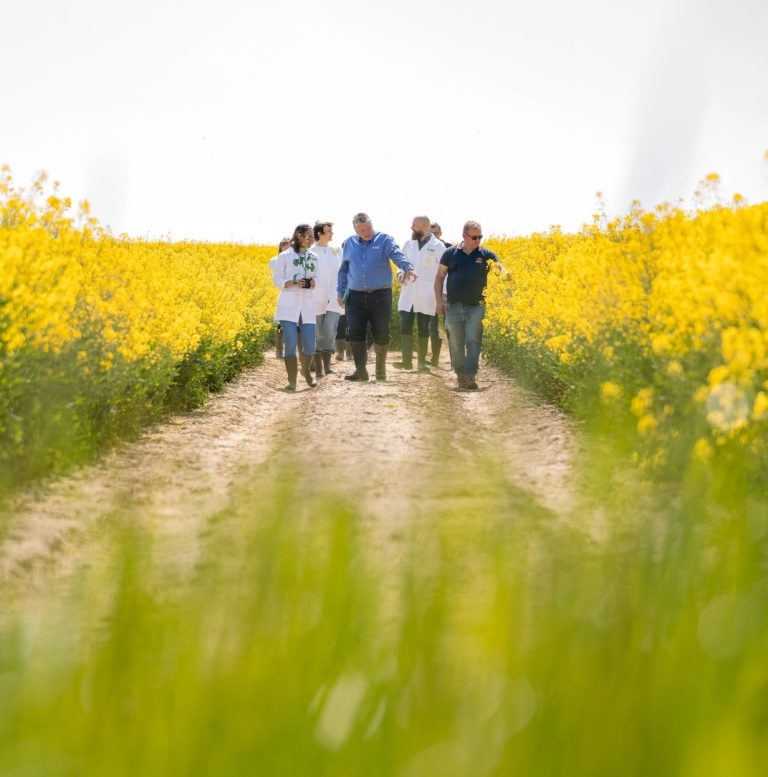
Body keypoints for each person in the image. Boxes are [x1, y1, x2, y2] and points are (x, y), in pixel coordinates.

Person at [337, 213, 416, 382]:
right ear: (356, 230)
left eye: (369, 228)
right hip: (355, 296)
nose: (367, 232)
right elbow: (344, 270)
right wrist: (340, 292)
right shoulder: (349, 243)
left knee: (382, 332)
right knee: (355, 332)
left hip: (380, 295)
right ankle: (360, 371)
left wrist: (407, 267)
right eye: (363, 230)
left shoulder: (385, 239)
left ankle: (380, 370)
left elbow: (397, 254)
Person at [434, 220, 499, 390]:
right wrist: (439, 302)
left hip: (476, 306)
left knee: (473, 340)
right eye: (474, 237)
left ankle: (470, 376)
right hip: (453, 305)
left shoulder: (485, 254)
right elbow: (440, 277)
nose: (478, 240)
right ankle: (460, 374)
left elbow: (499, 266)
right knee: (456, 342)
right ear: (464, 236)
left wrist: (505, 272)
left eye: (480, 236)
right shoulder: (450, 253)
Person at [271, 223, 322, 390]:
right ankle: (291, 381)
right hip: (288, 305)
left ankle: (305, 371)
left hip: (307, 305)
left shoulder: (314, 257)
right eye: (310, 236)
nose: (313, 239)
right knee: (291, 344)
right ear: (299, 236)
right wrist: (292, 282)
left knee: (310, 345)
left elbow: (318, 279)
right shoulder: (285, 256)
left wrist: (313, 282)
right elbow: (276, 279)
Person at [394, 215, 446, 372]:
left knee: (423, 326)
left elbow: (444, 271)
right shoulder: (408, 244)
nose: (411, 228)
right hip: (408, 290)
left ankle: (422, 362)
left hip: (427, 292)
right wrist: (400, 274)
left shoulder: (438, 246)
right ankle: (406, 360)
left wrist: (443, 294)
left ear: (423, 227)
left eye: (413, 225)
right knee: (405, 324)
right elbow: (400, 263)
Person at [311, 221, 344, 377]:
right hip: (315, 298)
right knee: (317, 332)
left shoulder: (336, 251)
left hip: (334, 298)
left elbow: (344, 271)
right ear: (319, 234)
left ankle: (327, 365)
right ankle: (318, 368)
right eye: (329, 231)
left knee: (330, 330)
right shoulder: (311, 252)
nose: (332, 233)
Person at [269, 237, 292, 357]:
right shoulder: (275, 260)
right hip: (284, 294)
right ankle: (279, 349)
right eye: (284, 245)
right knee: (280, 324)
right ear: (281, 246)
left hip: (297, 295)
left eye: (290, 245)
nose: (287, 247)